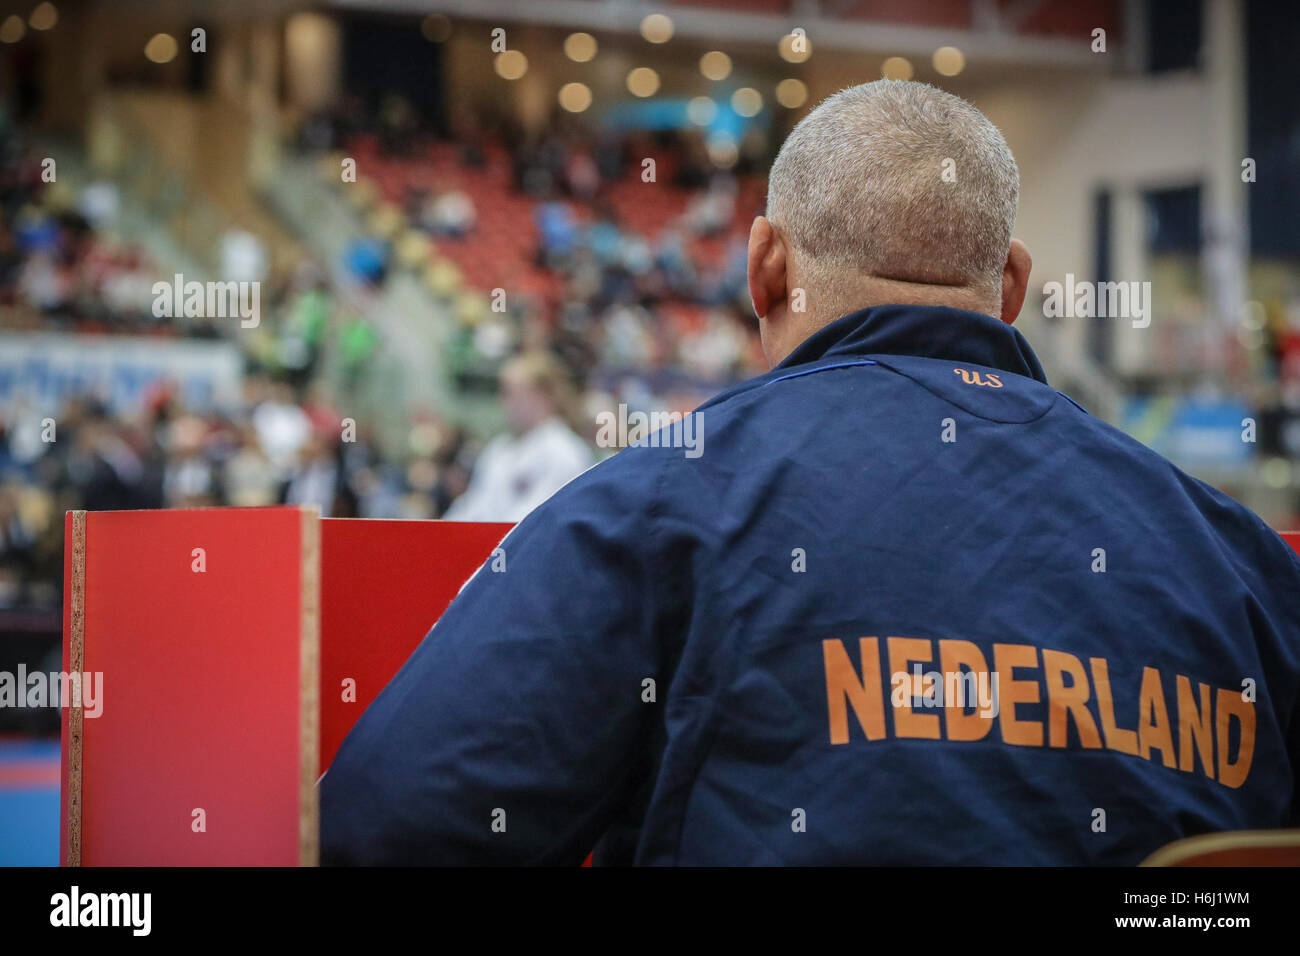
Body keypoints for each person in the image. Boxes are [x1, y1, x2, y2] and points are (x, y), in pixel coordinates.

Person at [321, 80, 1300, 865]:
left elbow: (383, 824)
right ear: (1008, 287)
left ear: (764, 269)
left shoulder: (652, 504)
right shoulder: (1236, 558)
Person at [442, 351, 594, 522]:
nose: (504, 401)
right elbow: (475, 506)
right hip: (488, 543)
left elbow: (536, 519)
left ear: (542, 395)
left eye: (511, 393)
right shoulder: (499, 448)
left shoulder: (565, 451)